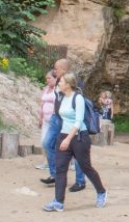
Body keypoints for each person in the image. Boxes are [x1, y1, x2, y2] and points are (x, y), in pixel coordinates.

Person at [43, 73, 107, 212]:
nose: (58, 83)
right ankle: (58, 202)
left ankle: (101, 192)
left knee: (86, 167)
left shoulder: (78, 98)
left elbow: (78, 121)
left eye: (61, 81)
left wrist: (67, 139)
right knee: (60, 168)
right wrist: (62, 137)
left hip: (79, 137)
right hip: (64, 135)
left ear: (69, 84)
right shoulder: (60, 97)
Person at [40, 59, 86, 192]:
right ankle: (55, 174)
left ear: (64, 70)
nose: (55, 71)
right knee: (47, 143)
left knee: (77, 151)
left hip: (69, 120)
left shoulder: (75, 82)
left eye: (57, 69)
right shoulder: (58, 81)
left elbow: (77, 100)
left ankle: (80, 181)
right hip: (56, 118)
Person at [37, 70, 56, 170]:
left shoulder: (57, 90)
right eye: (47, 78)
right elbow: (42, 104)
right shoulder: (46, 89)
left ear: (55, 78)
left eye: (49, 78)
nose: (47, 80)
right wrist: (40, 117)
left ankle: (52, 163)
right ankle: (45, 162)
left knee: (51, 142)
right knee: (43, 141)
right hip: (45, 119)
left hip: (53, 120)